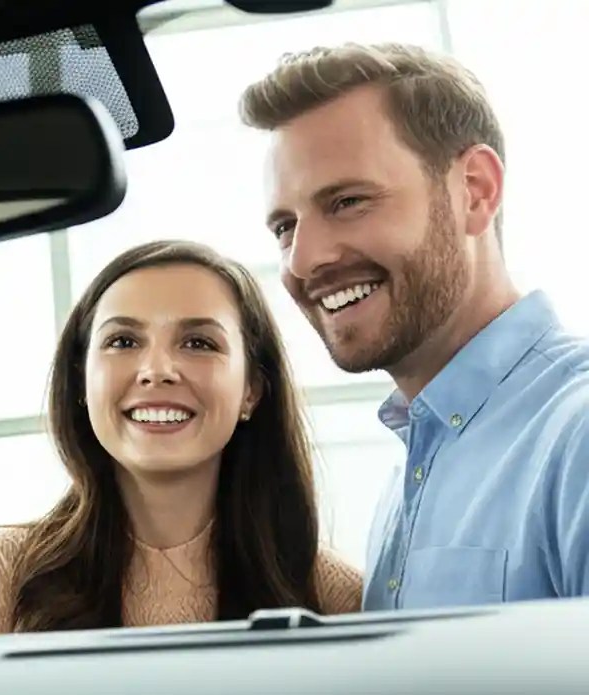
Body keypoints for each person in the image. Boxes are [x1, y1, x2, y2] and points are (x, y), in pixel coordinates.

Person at [240, 42, 589, 611]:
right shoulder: (413, 472)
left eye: (348, 201)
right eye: (285, 227)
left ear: (474, 191)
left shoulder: (577, 436)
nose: (303, 262)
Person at [0, 241, 361, 640]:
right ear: (82, 384)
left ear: (252, 391)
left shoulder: (334, 596)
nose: (157, 369)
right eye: (123, 341)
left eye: (199, 343)